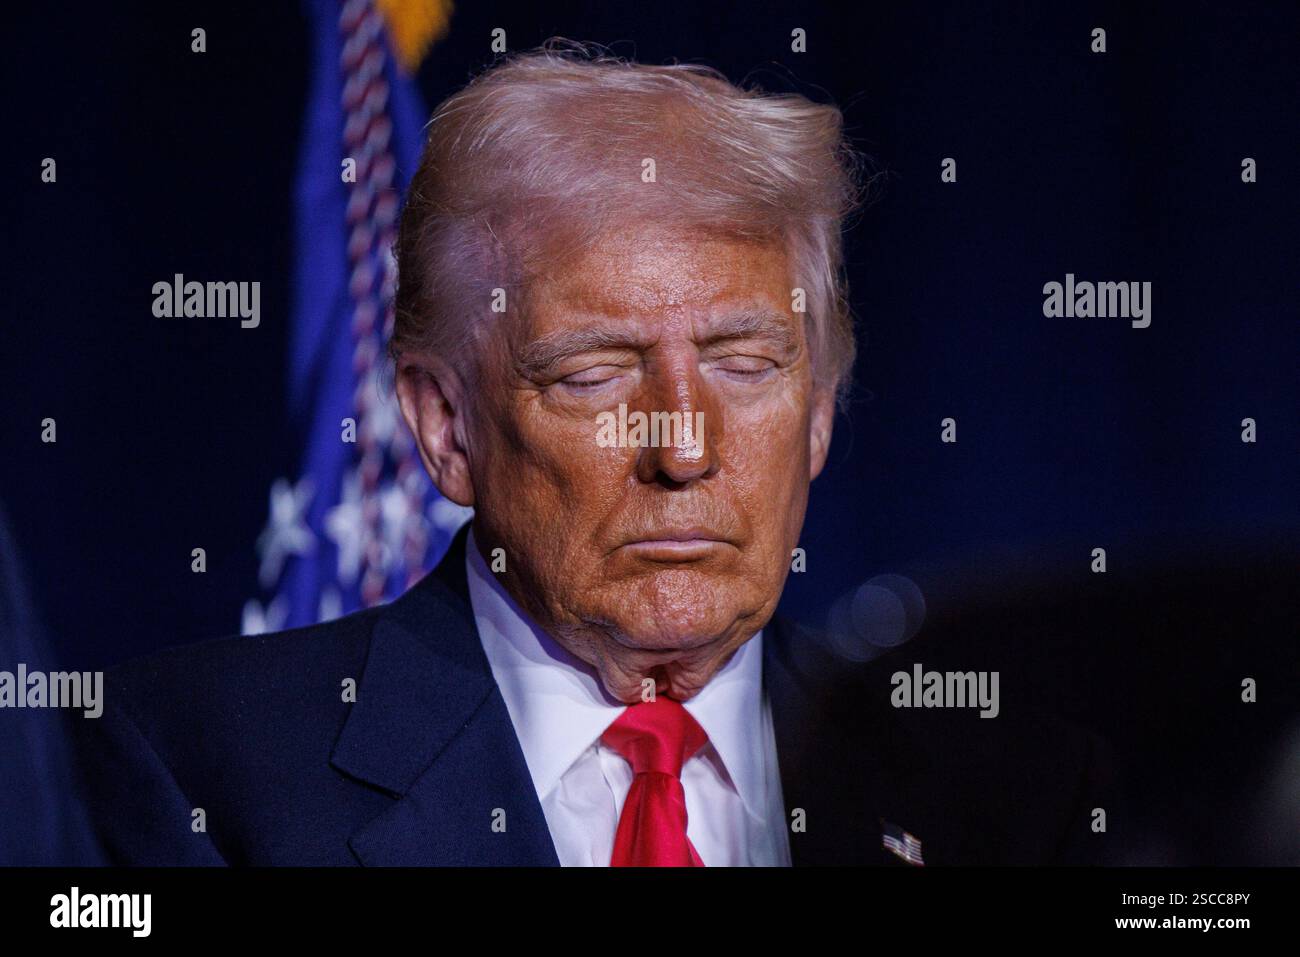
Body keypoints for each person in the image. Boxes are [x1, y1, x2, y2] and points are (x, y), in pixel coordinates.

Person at [75, 45, 1114, 866]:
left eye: (746, 366)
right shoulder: (201, 764)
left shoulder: (1010, 790)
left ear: (821, 413)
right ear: (446, 427)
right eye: (593, 376)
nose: (684, 448)